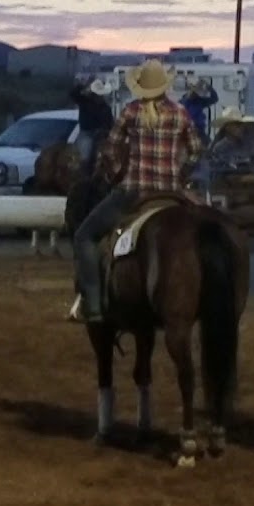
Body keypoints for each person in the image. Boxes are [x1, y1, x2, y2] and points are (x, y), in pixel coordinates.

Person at [70, 59, 202, 323]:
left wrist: (118, 172)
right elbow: (196, 150)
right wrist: (181, 172)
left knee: (84, 236)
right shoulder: (180, 113)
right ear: (165, 85)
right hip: (172, 192)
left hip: (133, 193)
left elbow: (110, 150)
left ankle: (94, 304)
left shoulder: (130, 112)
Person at [68, 78, 115, 177]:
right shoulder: (84, 102)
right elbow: (73, 94)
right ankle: (84, 177)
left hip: (102, 134)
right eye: (98, 94)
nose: (100, 96)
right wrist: (82, 86)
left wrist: (106, 131)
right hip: (87, 133)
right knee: (86, 156)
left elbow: (110, 123)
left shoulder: (106, 108)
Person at [180, 76, 220, 143]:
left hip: (200, 131)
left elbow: (214, 99)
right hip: (188, 131)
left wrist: (209, 87)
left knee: (209, 146)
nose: (196, 94)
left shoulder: (199, 101)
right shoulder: (183, 103)